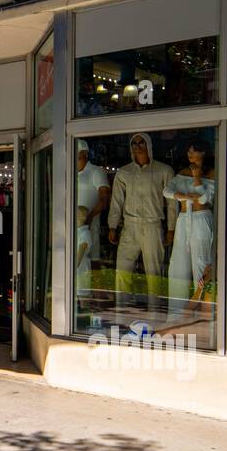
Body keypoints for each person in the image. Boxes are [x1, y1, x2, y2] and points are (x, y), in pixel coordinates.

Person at [108, 133, 175, 318]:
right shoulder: (124, 173)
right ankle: (121, 311)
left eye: (141, 142)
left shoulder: (164, 170)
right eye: (134, 143)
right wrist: (112, 226)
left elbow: (171, 203)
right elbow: (116, 201)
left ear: (149, 145)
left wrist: (171, 229)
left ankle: (155, 313)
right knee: (122, 269)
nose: (137, 146)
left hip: (153, 225)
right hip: (130, 225)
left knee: (154, 271)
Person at [163, 139, 216, 318]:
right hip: (183, 219)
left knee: (201, 263)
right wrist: (183, 196)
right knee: (177, 265)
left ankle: (203, 314)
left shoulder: (213, 172)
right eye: (188, 151)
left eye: (194, 150)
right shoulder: (182, 172)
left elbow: (204, 200)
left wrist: (197, 178)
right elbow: (167, 191)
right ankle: (176, 315)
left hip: (201, 219)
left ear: (204, 153)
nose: (190, 153)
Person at [75, 140, 111, 278]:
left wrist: (89, 217)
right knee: (73, 261)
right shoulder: (69, 172)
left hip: (89, 225)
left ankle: (96, 295)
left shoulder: (96, 171)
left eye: (79, 153)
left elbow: (104, 199)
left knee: (92, 261)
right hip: (71, 225)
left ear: (85, 154)